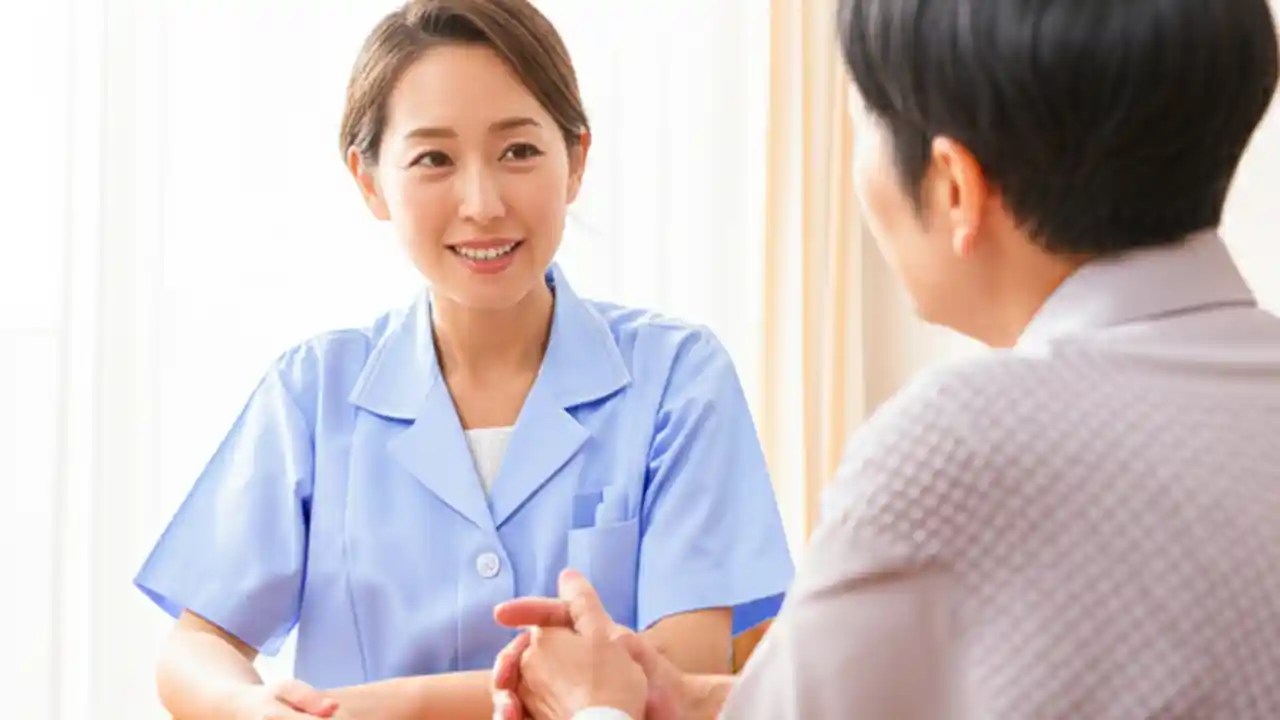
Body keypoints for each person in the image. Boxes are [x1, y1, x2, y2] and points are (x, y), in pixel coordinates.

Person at [491, 0, 1280, 716]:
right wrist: (698, 700)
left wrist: (593, 708)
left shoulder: (962, 442)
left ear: (955, 187)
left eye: (865, 117)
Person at [133, 1, 794, 718]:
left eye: (518, 152)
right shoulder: (312, 392)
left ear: (576, 160)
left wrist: (376, 707)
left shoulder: (678, 379)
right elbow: (196, 646)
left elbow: (676, 673)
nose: (482, 203)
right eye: (434, 160)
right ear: (369, 180)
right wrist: (246, 708)